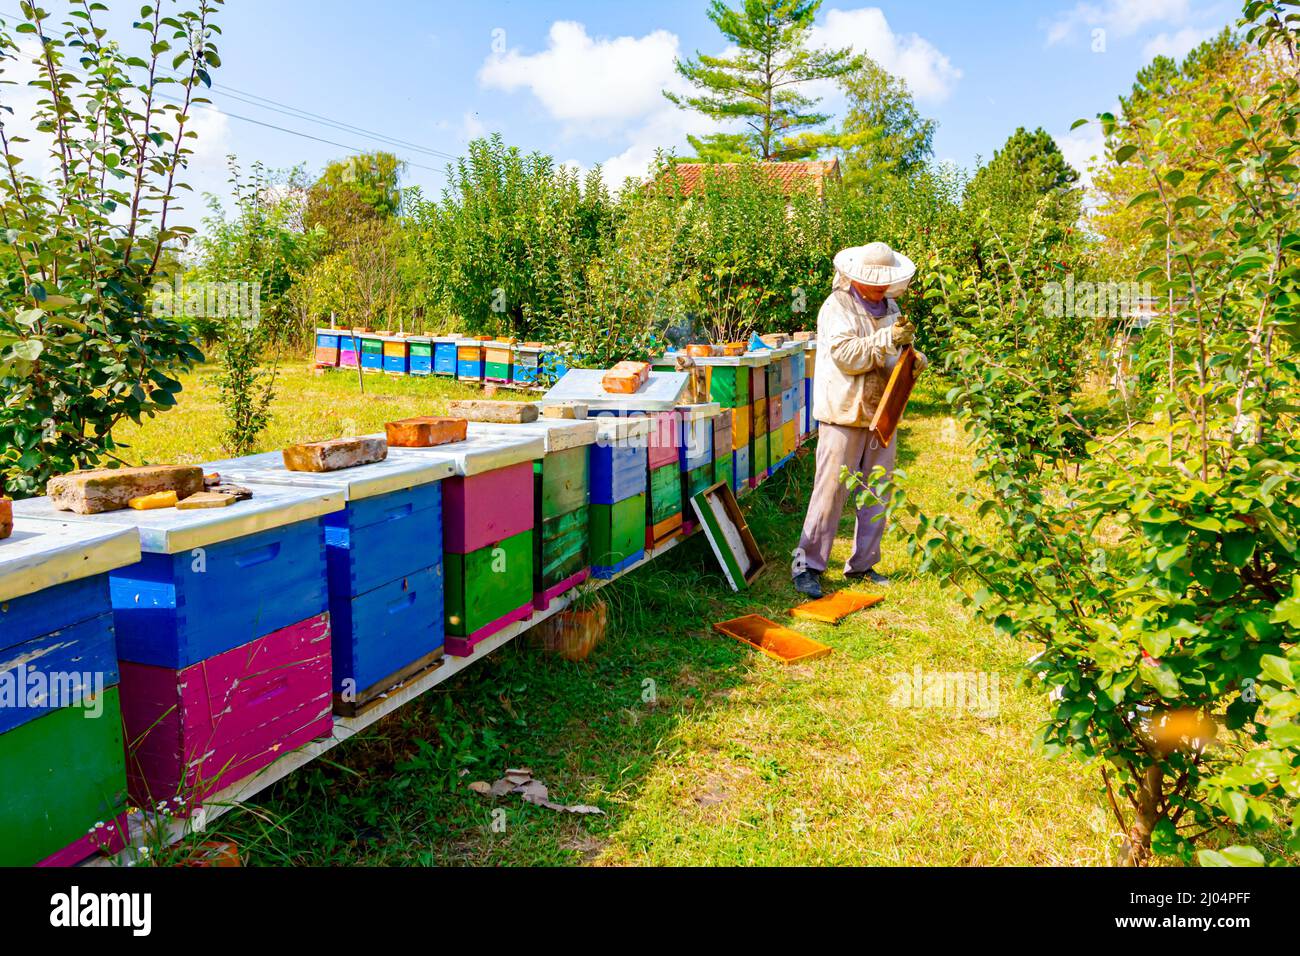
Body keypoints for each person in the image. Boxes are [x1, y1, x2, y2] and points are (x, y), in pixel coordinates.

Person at [791, 242, 928, 599]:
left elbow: (890, 354)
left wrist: (911, 358)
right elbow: (848, 357)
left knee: (877, 490)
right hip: (844, 411)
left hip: (882, 410)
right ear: (856, 277)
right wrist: (888, 339)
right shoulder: (836, 306)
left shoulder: (891, 306)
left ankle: (863, 565)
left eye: (886, 280)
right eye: (875, 280)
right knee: (831, 491)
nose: (882, 287)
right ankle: (807, 567)